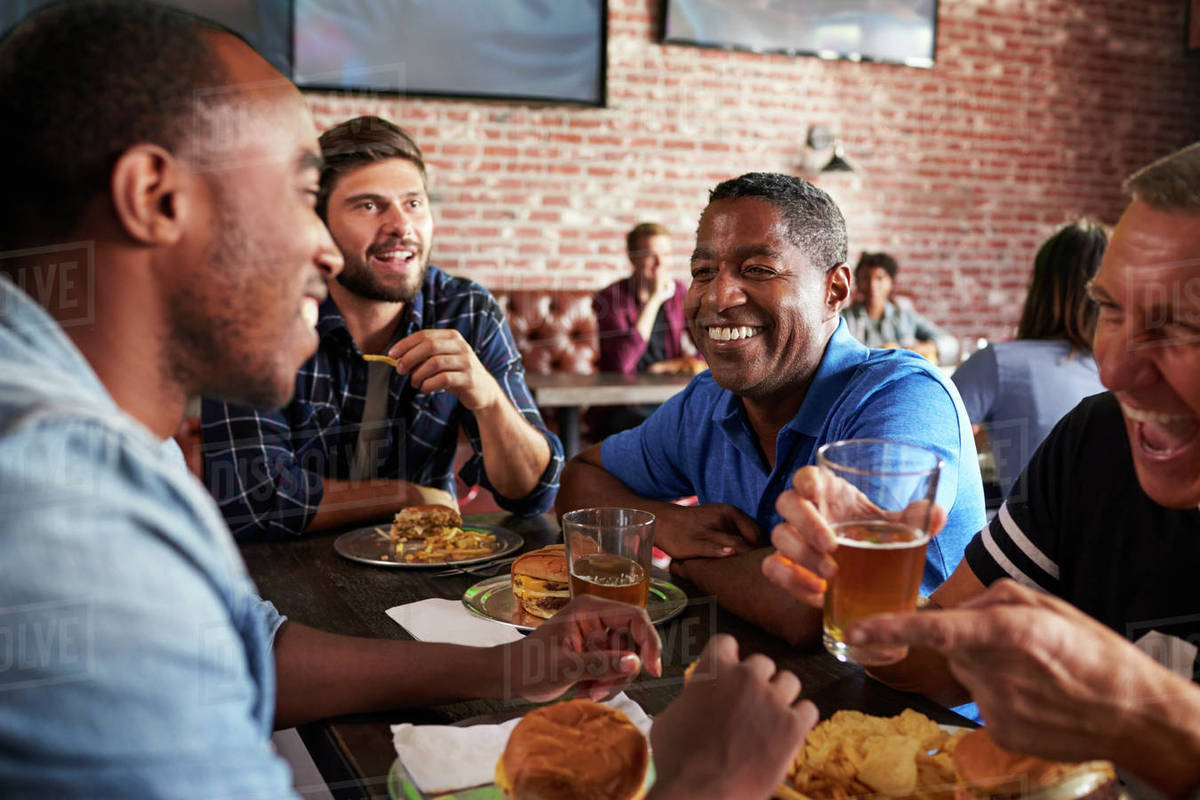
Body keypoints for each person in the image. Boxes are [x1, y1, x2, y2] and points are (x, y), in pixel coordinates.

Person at [0, 3, 677, 795]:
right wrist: (707, 783)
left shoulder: (99, 439)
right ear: (156, 198)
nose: (323, 248)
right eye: (298, 193)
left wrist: (513, 664)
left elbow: (248, 650)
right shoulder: (57, 505)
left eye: (414, 203)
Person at [764, 143, 1200, 797]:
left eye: (1185, 327)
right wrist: (864, 586)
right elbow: (941, 666)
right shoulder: (1095, 441)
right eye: (1110, 310)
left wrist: (1147, 716)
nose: (1114, 369)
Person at [558, 172, 986, 646]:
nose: (717, 297)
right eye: (703, 272)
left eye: (758, 270)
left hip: (918, 713)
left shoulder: (902, 397)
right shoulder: (707, 402)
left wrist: (689, 563)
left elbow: (816, 601)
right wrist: (667, 523)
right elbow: (579, 482)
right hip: (760, 689)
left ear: (835, 291)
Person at [202, 115, 563, 538]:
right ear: (318, 224)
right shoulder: (259, 312)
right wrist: (404, 497)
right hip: (286, 577)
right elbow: (250, 498)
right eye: (369, 206)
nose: (401, 225)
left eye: (413, 203)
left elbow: (532, 495)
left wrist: (488, 399)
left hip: (429, 572)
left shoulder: (465, 309)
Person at [952, 221, 1107, 498]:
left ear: (1041, 286)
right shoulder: (1133, 372)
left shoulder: (997, 364)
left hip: (1030, 537)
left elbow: (926, 445)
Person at [590, 222, 705, 438]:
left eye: (667, 254)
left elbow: (706, 346)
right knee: (660, 427)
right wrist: (654, 299)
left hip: (667, 395)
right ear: (633, 258)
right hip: (621, 402)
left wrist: (669, 367)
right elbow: (621, 365)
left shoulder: (680, 293)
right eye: (651, 255)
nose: (661, 263)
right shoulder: (610, 298)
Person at [841, 252, 957, 363]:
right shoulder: (845, 319)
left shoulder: (905, 316)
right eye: (866, 278)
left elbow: (951, 344)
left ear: (891, 282)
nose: (873, 285)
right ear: (857, 282)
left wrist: (925, 347)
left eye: (880, 278)